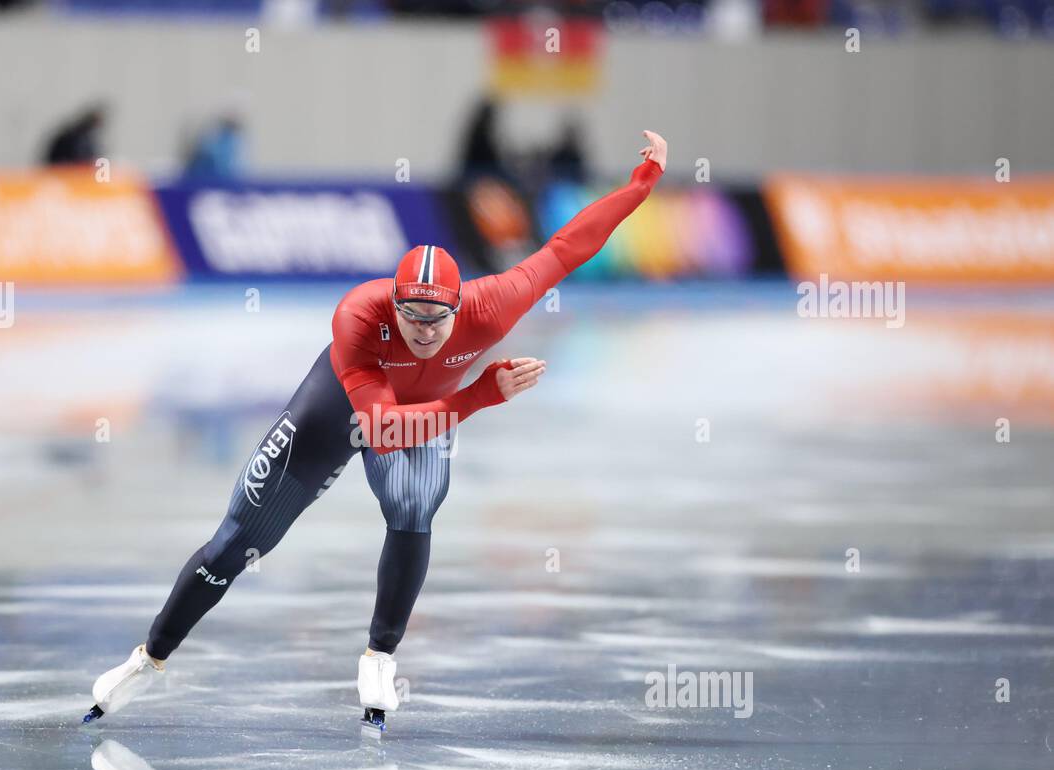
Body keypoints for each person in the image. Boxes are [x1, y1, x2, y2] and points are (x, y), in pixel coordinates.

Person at [85, 130, 669, 733]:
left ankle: (379, 657)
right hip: (340, 410)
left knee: (414, 504)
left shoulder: (493, 304)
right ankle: (148, 658)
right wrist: (477, 396)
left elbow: (570, 246)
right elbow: (383, 430)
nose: (421, 329)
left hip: (428, 412)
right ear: (392, 305)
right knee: (236, 545)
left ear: (458, 307)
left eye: (435, 317)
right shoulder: (361, 316)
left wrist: (641, 182)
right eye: (409, 314)